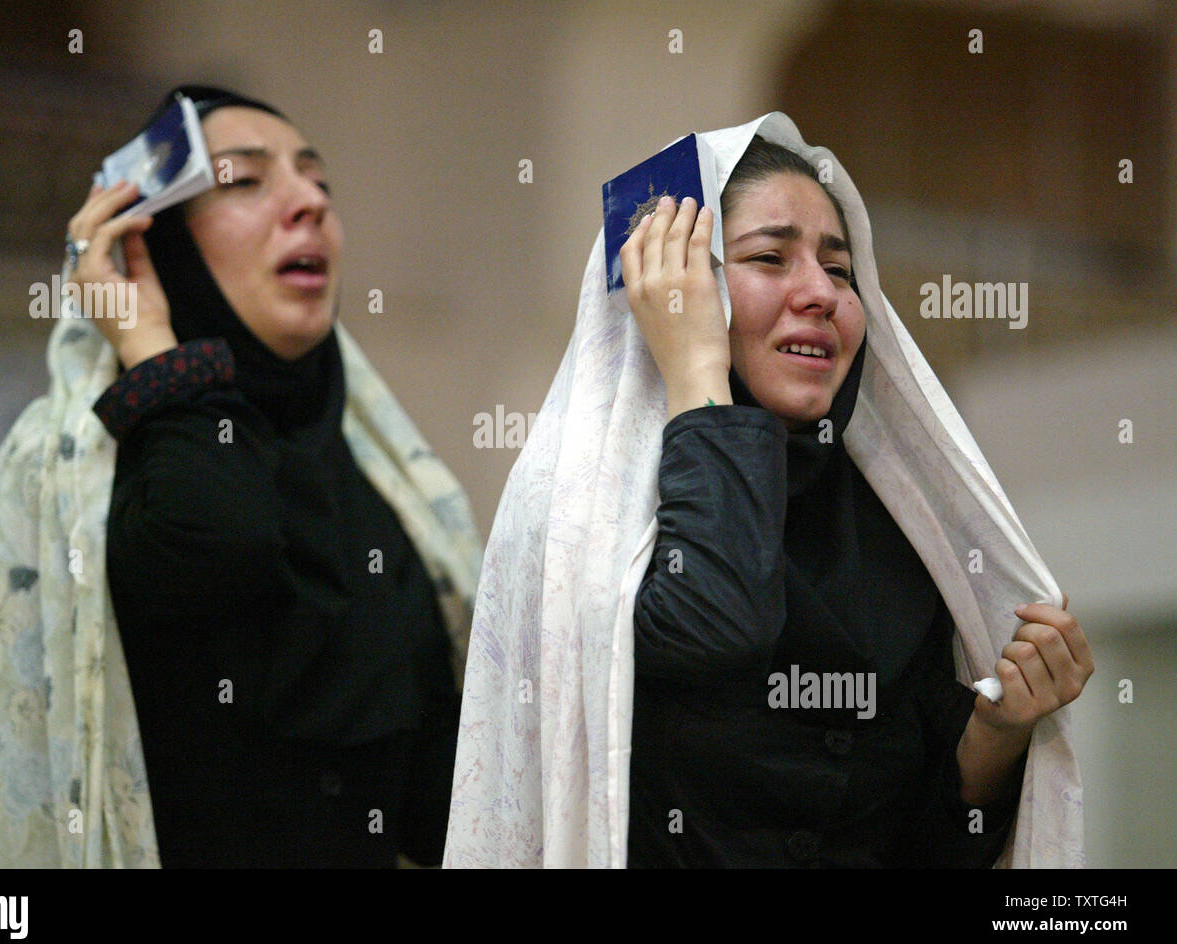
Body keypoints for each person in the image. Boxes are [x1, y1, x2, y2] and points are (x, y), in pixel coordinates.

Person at [444, 114, 1091, 868]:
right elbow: (716, 623)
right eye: (769, 257)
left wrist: (1000, 729)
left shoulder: (898, 530)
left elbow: (923, 849)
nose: (819, 292)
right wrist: (693, 370)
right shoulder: (580, 524)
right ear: (675, 287)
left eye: (841, 270)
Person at [0, 85, 483, 868]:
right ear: (151, 247)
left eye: (319, 181)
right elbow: (218, 537)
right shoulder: (82, 474)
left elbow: (439, 811)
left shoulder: (384, 492)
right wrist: (151, 343)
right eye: (242, 180)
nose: (309, 204)